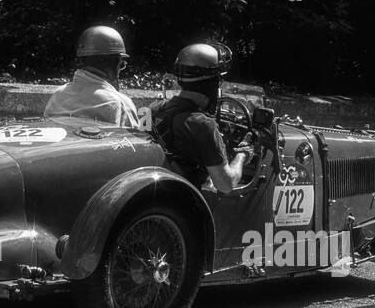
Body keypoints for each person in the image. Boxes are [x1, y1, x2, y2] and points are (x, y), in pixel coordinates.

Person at [150, 42, 251, 193]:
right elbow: (226, 185)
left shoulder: (152, 109)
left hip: (158, 193)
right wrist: (242, 154)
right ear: (212, 82)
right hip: (188, 201)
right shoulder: (204, 125)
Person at [45, 26, 139, 126]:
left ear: (81, 61)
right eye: (121, 65)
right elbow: (135, 139)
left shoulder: (57, 96)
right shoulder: (120, 104)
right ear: (114, 64)